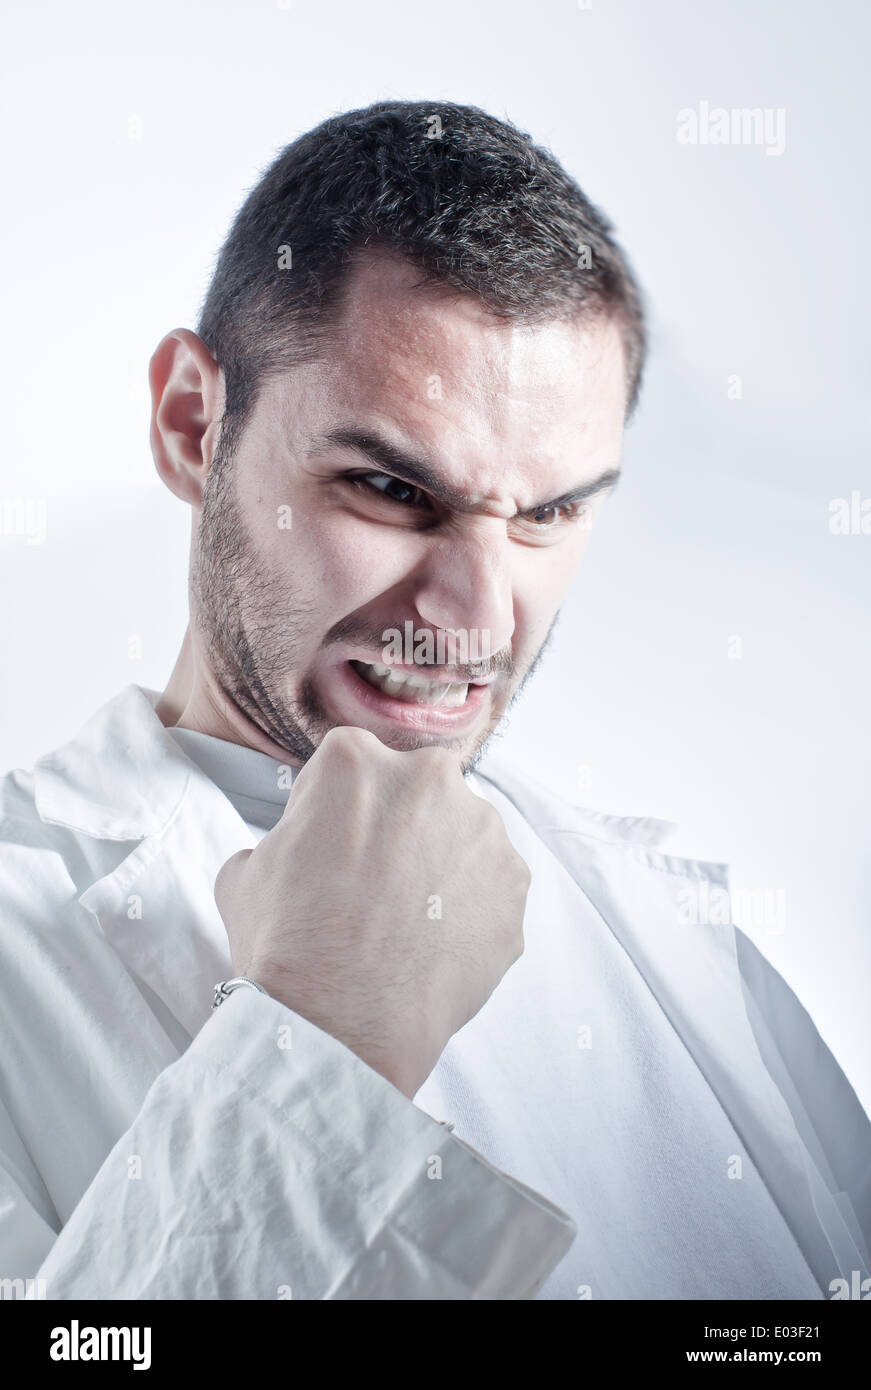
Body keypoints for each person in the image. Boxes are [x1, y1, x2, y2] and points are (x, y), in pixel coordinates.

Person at [1, 100, 868, 1302]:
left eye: (547, 514)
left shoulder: (678, 936)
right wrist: (321, 1044)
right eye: (390, 489)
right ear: (194, 424)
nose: (473, 618)